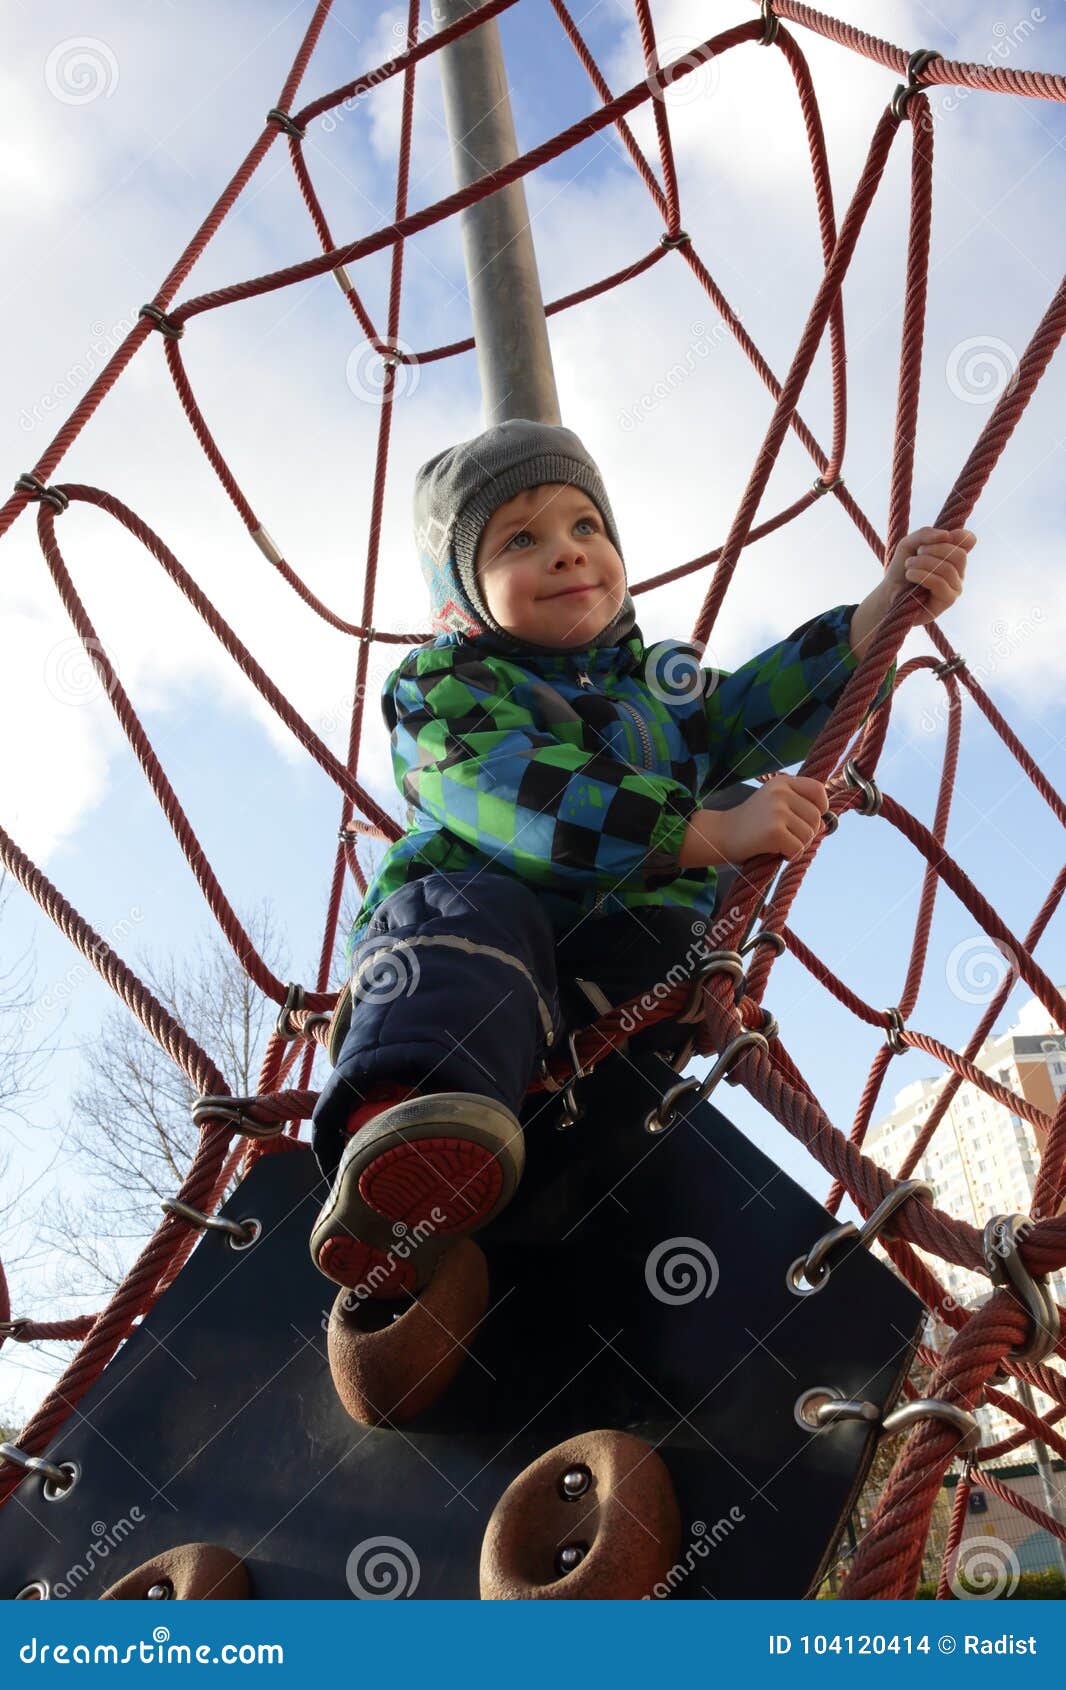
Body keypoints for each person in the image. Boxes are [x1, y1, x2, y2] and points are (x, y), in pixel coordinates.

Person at [308, 418, 974, 1300]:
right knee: (460, 920)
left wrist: (870, 624)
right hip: (477, 954)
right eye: (521, 540)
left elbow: (751, 709)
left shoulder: (658, 685)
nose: (567, 551)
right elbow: (520, 798)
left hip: (617, 987)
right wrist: (699, 834)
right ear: (461, 593)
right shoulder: (446, 686)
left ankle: (532, 1174)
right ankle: (400, 1132)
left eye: (586, 525)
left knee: (720, 849)